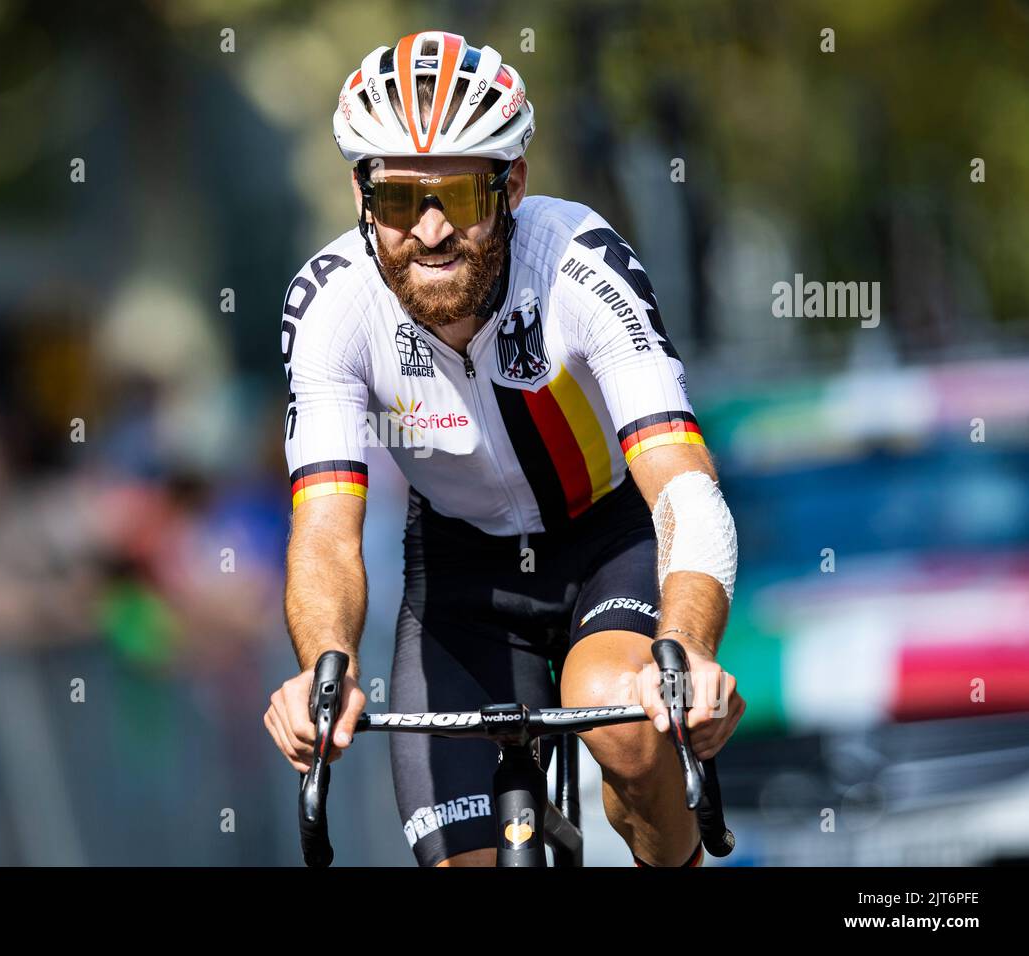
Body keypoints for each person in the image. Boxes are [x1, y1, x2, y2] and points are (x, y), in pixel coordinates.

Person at [264, 30, 743, 867]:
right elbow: (327, 531)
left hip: (605, 539)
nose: (433, 230)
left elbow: (682, 484)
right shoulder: (331, 306)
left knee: (623, 722)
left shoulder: (581, 266)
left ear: (512, 183)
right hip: (459, 574)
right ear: (360, 193)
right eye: (402, 201)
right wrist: (324, 666)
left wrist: (693, 648)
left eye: (460, 194)